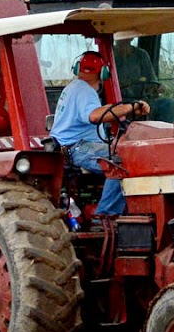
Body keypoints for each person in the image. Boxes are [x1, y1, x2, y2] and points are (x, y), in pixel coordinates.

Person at [49, 49, 149, 217]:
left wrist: (121, 108)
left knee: (118, 154)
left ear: (76, 68)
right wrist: (131, 108)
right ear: (104, 73)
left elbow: (99, 110)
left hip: (70, 147)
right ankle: (105, 216)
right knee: (122, 161)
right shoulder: (85, 90)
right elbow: (95, 116)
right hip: (78, 148)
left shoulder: (74, 88)